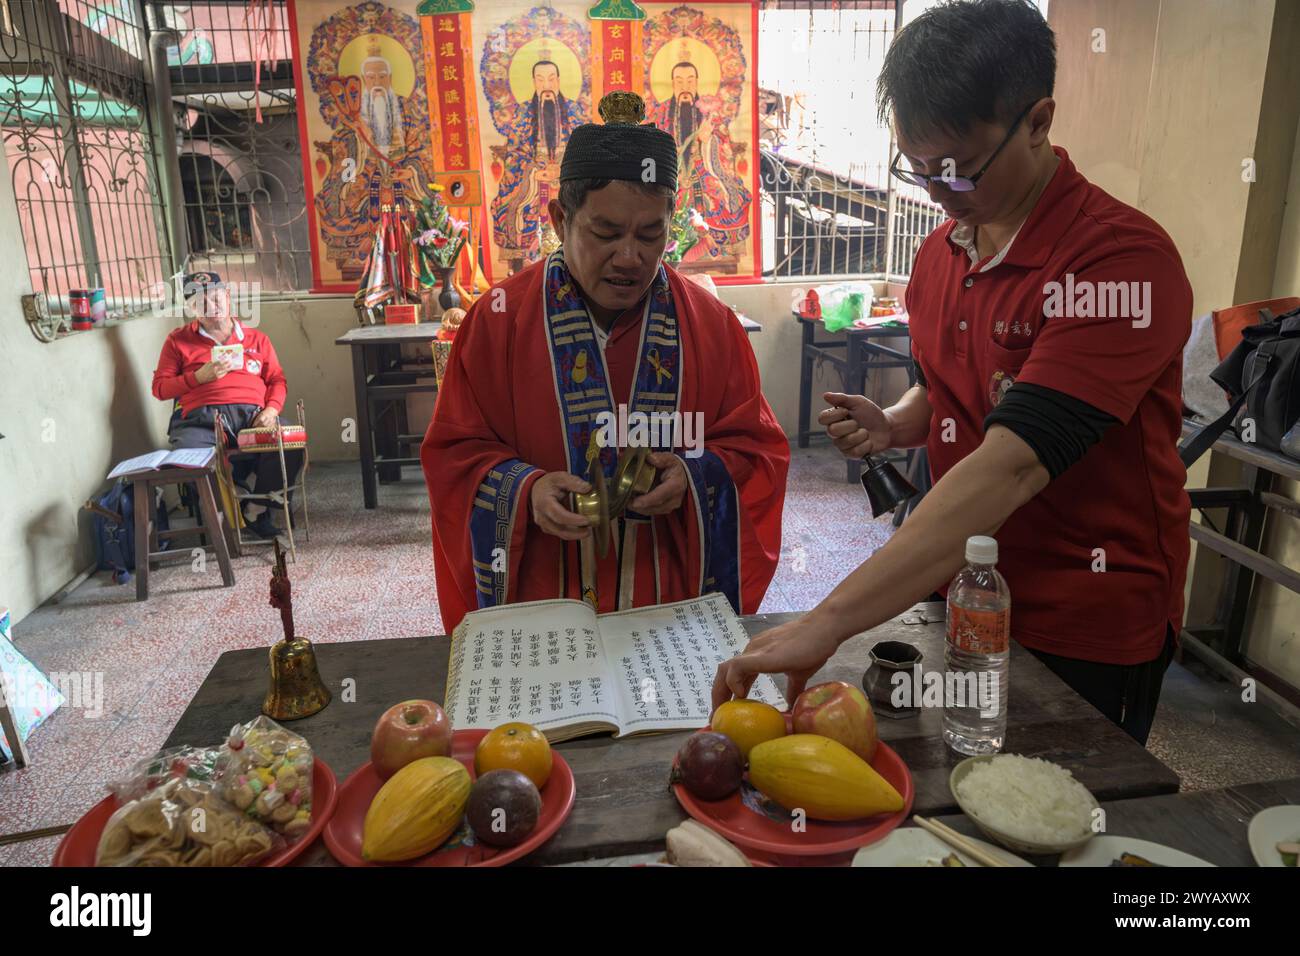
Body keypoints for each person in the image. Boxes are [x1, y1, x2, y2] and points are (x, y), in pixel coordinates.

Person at [713, 0, 1192, 746]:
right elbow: (945, 387)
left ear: (1038, 121)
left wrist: (827, 622)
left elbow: (1010, 466)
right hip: (958, 588)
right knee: (952, 798)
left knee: (1057, 811)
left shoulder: (1120, 264)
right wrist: (898, 421)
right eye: (916, 163)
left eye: (958, 169)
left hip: (1083, 617)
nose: (934, 190)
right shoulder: (942, 253)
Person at [423, 91, 789, 633]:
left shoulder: (714, 327)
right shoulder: (497, 322)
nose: (630, 257)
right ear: (559, 218)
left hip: (669, 608)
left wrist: (693, 477)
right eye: (605, 233)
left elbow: (757, 453)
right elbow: (454, 456)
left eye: (651, 234)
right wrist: (526, 490)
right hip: (542, 604)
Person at [151, 272, 302, 539]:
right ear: (191, 309)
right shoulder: (177, 341)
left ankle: (254, 509)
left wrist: (271, 410)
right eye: (201, 303)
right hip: (201, 421)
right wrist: (198, 377)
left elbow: (277, 380)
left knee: (289, 440)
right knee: (191, 460)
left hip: (252, 417)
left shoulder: (257, 339)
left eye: (216, 298)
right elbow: (160, 389)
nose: (212, 307)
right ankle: (230, 506)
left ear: (228, 298)